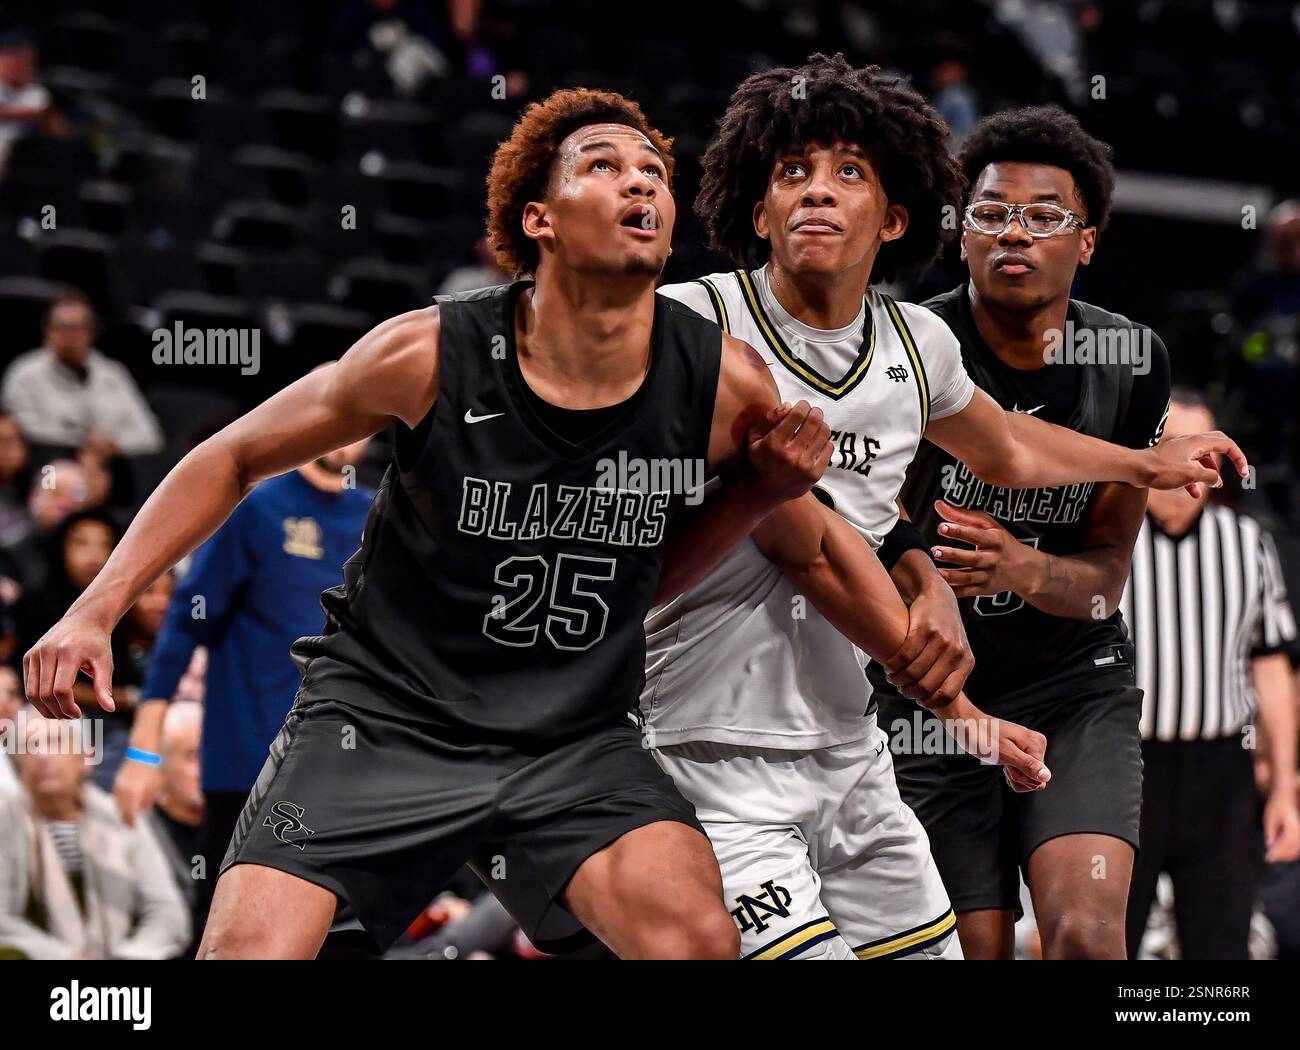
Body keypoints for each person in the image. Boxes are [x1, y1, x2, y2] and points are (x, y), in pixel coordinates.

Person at [24, 87, 836, 960]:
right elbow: (231, 456)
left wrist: (918, 638)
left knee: (695, 943)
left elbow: (720, 562)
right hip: (384, 717)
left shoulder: (722, 383)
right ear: (540, 219)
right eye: (604, 166)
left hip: (568, 736)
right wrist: (93, 609)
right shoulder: (432, 352)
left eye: (654, 173)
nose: (640, 184)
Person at [648, 56, 1246, 960]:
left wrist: (1142, 462)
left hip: (851, 743)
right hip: (712, 736)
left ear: (893, 216)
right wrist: (959, 700)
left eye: (849, 171)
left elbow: (1004, 449)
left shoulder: (916, 344)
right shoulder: (696, 326)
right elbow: (807, 545)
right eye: (791, 172)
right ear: (755, 206)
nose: (817, 191)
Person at [880, 105, 1179, 959]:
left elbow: (1104, 584)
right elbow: (867, 537)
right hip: (927, 696)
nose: (1016, 232)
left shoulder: (1132, 363)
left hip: (1073, 685)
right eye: (992, 212)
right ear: (960, 232)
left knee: (1086, 934)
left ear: (1087, 240)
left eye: (1045, 216)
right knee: (967, 947)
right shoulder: (909, 345)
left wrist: (1020, 568)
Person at [113, 439, 372, 947]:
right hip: (245, 762)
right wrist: (143, 749)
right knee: (219, 930)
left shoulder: (374, 515)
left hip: (336, 766)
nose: (349, 435)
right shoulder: (258, 506)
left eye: (364, 425)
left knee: (321, 935)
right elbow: (186, 624)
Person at [1121, 389, 1300, 958]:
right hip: (1126, 768)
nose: (1195, 463)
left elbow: (1271, 670)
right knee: (1109, 939)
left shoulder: (1250, 544)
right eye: (1179, 445)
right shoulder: (1107, 543)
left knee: (1221, 948)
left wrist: (1284, 793)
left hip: (1221, 770)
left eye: (1208, 450)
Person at [0, 711, 189, 959]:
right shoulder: (7, 821)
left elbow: (166, 911)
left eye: (55, 742)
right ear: (18, 765)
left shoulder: (122, 816)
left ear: (85, 758)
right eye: (30, 746)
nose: (43, 755)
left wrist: (131, 957)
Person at [1, 290, 165, 483]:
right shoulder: (24, 373)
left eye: (79, 328)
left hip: (110, 470)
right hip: (46, 470)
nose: (71, 335)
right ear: (48, 332)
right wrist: (82, 441)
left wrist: (114, 445)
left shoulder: (113, 374)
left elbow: (150, 435)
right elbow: (20, 430)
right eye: (63, 327)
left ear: (91, 334)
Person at [0, 28, 50, 176]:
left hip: (20, 164)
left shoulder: (37, 93)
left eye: (26, 61)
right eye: (13, 59)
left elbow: (43, 115)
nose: (19, 66)